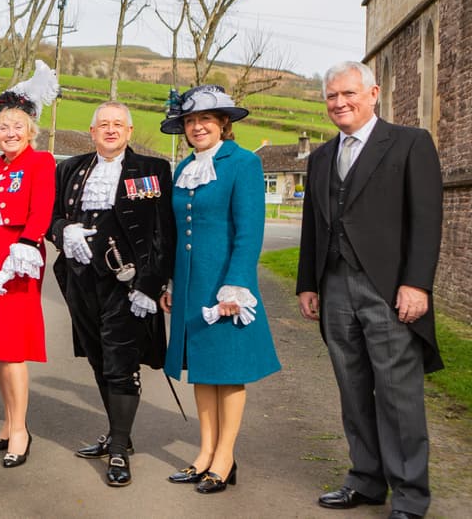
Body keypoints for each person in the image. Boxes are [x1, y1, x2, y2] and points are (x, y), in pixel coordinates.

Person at [296, 61, 442, 519]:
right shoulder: (321, 157)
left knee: (397, 393)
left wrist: (417, 283)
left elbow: (426, 220)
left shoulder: (410, 143)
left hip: (388, 287)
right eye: (331, 97)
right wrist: (307, 284)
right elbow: (312, 227)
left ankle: (410, 496)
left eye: (348, 94)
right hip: (334, 286)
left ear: (373, 93)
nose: (339, 103)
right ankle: (365, 479)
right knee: (352, 386)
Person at [158, 84, 281, 494]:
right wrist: (173, 281)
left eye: (205, 120)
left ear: (223, 123)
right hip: (192, 284)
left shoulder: (243, 164)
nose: (197, 127)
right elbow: (178, 232)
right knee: (203, 373)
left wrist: (236, 285)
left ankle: (225, 457)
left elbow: (250, 232)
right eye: (190, 121)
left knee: (228, 374)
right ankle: (205, 452)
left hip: (226, 284)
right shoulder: (182, 169)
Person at [47, 100, 174, 487]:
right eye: (104, 124)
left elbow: (162, 232)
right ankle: (118, 432)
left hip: (128, 284)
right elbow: (52, 217)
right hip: (80, 280)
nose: (111, 130)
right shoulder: (69, 168)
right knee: (99, 359)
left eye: (118, 124)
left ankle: (119, 448)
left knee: (121, 362)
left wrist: (151, 286)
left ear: (130, 132)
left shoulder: (153, 170)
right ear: (92, 131)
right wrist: (64, 231)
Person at [0, 62, 59, 469]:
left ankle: (20, 429)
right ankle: (7, 421)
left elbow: (41, 212)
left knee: (13, 348)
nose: (11, 133)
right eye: (3, 126)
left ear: (30, 129)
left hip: (17, 262)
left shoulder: (41, 162)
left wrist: (20, 252)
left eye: (18, 125)